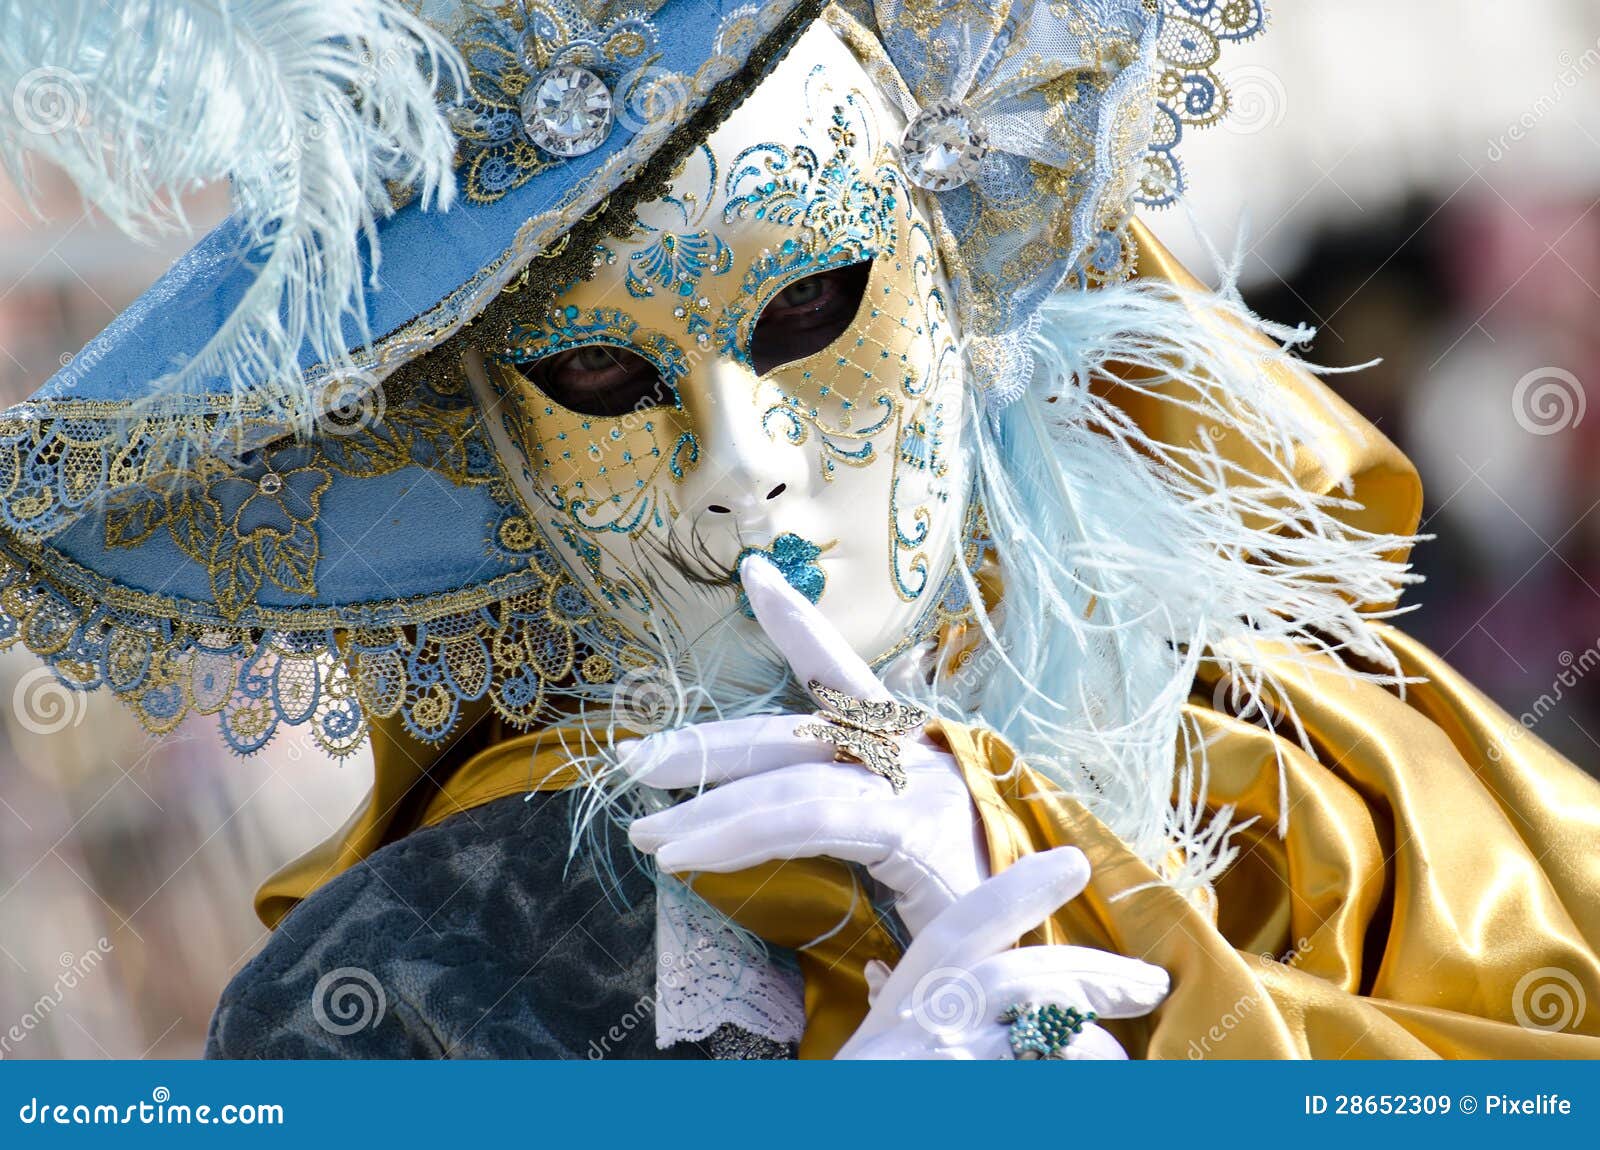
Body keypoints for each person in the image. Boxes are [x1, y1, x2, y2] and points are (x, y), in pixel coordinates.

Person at [3, 0, 1597, 1060]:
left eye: (812, 306)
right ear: (494, 451)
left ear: (957, 283)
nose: (740, 469)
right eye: (602, 376)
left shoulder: (1314, 785)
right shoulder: (431, 978)